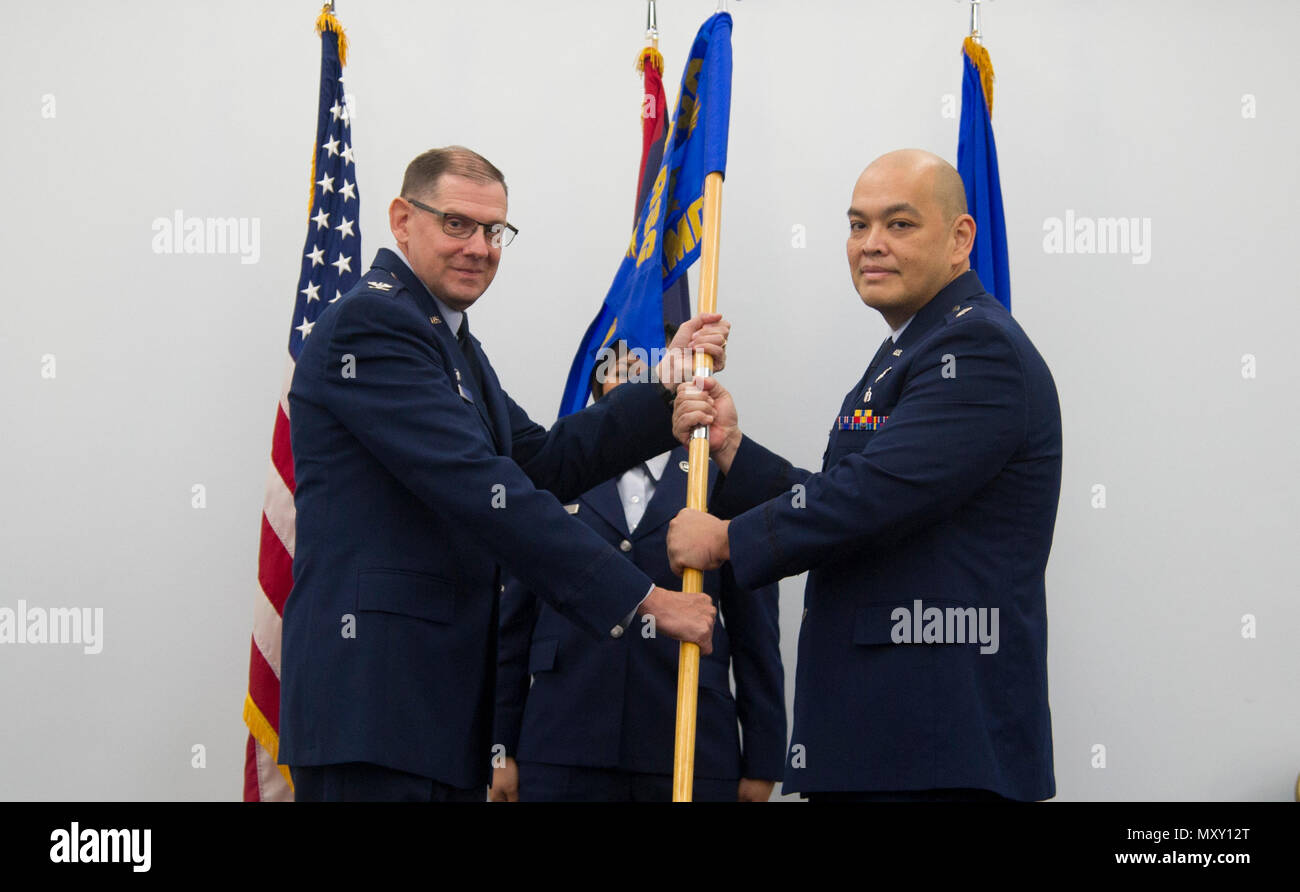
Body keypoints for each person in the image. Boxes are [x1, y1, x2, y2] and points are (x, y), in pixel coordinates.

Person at [279, 145, 727, 801]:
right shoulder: (376, 325)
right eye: (457, 223)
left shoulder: (447, 337)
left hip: (426, 714)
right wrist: (646, 600)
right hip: (376, 708)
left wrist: (665, 389)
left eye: (495, 231)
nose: (480, 247)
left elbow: (542, 463)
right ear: (403, 220)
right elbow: (487, 495)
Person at [667, 149, 1062, 801]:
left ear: (962, 238)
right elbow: (863, 496)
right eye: (857, 225)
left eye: (899, 225)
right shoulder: (913, 348)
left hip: (934, 747)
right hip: (887, 742)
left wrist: (726, 540)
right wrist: (736, 452)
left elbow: (872, 498)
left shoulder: (977, 350)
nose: (870, 245)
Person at [489, 338, 786, 803]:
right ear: (599, 388)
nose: (644, 380)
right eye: (628, 369)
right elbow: (510, 626)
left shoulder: (723, 482)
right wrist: (499, 748)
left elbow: (757, 633)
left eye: (658, 369)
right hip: (562, 742)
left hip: (687, 743)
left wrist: (763, 761)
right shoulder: (554, 478)